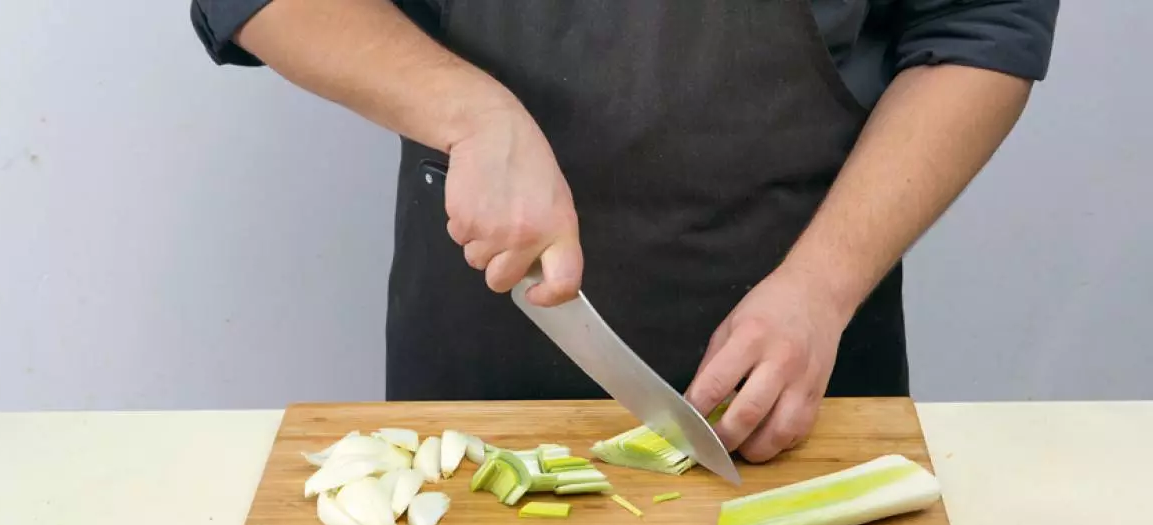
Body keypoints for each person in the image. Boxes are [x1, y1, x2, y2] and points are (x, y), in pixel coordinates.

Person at [190, 0, 1059, 463]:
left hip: (802, 388)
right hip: (478, 388)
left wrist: (822, 287)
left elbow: (981, 25)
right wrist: (469, 112)